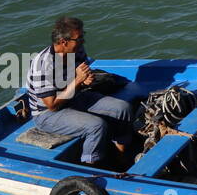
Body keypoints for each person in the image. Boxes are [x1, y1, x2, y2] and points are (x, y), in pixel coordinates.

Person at [27, 16, 133, 168]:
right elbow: (52, 105)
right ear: (64, 42)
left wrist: (85, 80)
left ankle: (121, 157)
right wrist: (78, 81)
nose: (83, 41)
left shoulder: (77, 50)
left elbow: (82, 76)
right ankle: (91, 167)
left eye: (83, 36)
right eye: (79, 38)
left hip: (75, 97)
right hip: (47, 114)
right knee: (96, 126)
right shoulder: (43, 65)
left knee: (122, 108)